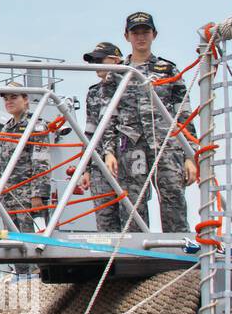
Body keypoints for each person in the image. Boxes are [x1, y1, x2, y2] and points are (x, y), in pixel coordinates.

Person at [101, 12, 198, 233]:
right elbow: (108, 117)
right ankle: (138, 258)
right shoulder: (117, 74)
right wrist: (109, 152)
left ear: (154, 34)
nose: (141, 37)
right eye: (135, 32)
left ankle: (177, 250)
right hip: (131, 146)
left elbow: (184, 114)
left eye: (145, 32)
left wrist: (190, 156)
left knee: (173, 197)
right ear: (127, 36)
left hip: (167, 145)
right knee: (133, 203)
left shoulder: (168, 70)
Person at [0, 83, 51, 232]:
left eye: (14, 97)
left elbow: (41, 162)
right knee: (12, 244)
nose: (9, 101)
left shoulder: (36, 125)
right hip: (8, 198)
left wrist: (38, 195)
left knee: (32, 243)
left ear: (25, 99)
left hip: (28, 199)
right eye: (6, 99)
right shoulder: (6, 129)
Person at [81, 41, 124, 231]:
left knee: (130, 215)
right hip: (99, 162)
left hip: (127, 158)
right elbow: (89, 131)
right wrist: (86, 167)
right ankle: (110, 260)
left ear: (115, 60)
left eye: (100, 59)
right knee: (104, 219)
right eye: (93, 61)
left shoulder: (129, 85)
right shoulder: (93, 93)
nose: (96, 64)